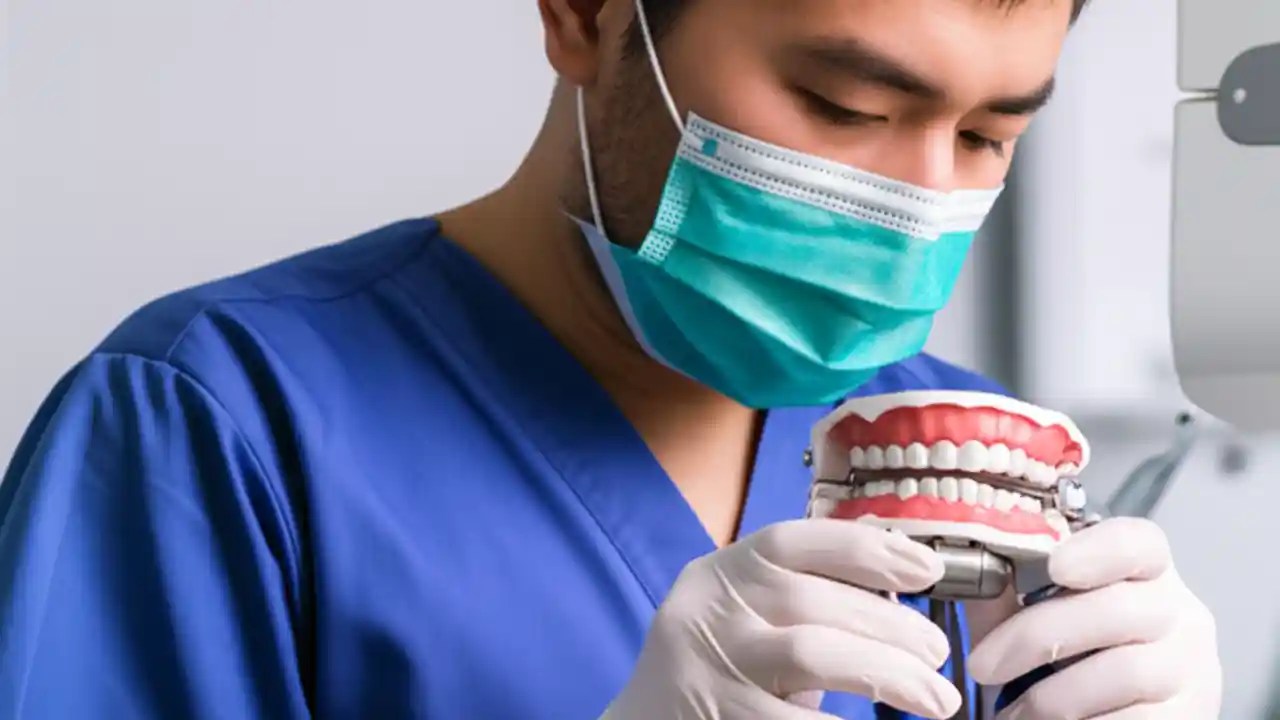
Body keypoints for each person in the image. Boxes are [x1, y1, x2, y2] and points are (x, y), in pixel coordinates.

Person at [0, 0, 1223, 718]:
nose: (918, 199)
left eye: (985, 133)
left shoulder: (966, 455)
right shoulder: (218, 422)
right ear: (587, 14)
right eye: (845, 109)